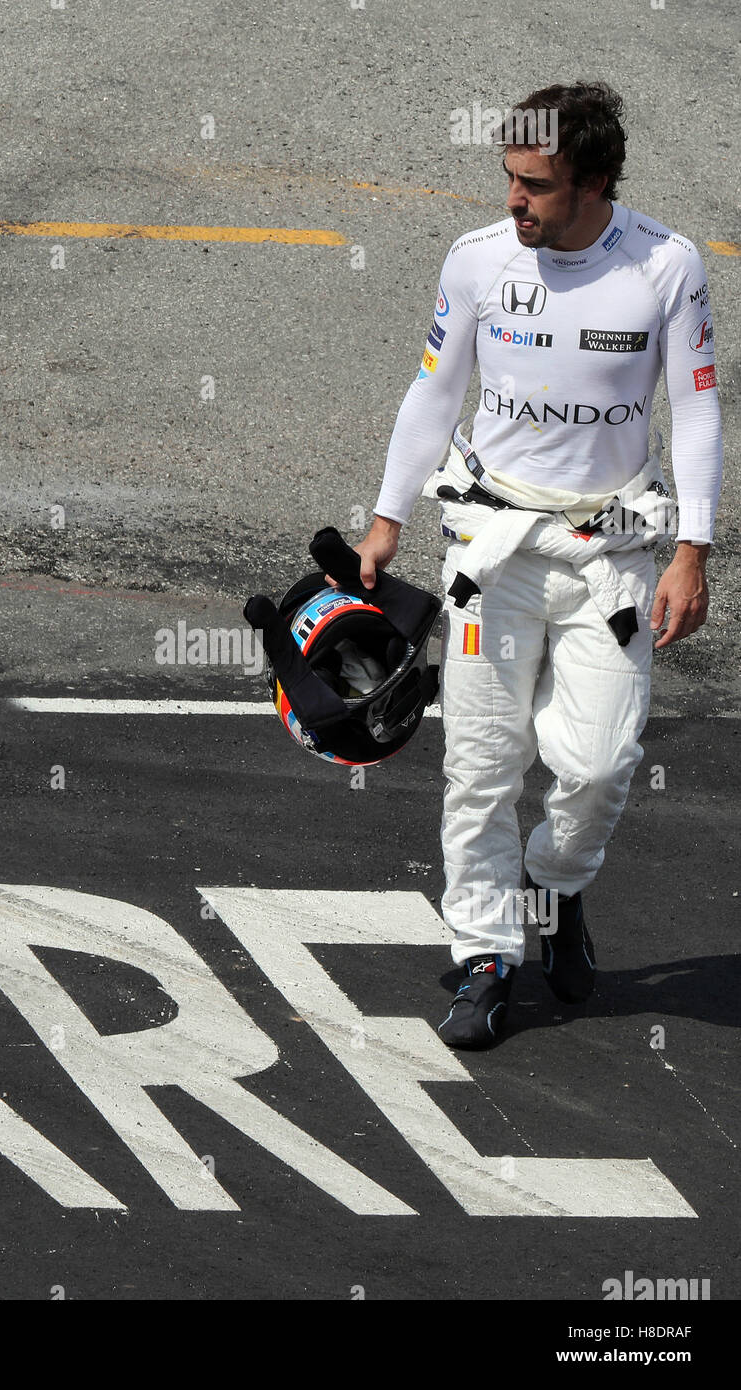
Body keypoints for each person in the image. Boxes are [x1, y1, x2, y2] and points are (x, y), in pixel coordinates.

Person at [348, 82, 723, 1048]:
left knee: (598, 767)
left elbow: (697, 409)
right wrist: (386, 521)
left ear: (594, 182)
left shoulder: (666, 266)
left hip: (614, 557)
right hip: (490, 550)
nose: (513, 202)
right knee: (480, 765)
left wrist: (694, 550)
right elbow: (432, 396)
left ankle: (551, 892)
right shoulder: (476, 263)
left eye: (536, 186)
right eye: (509, 180)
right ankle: (483, 955)